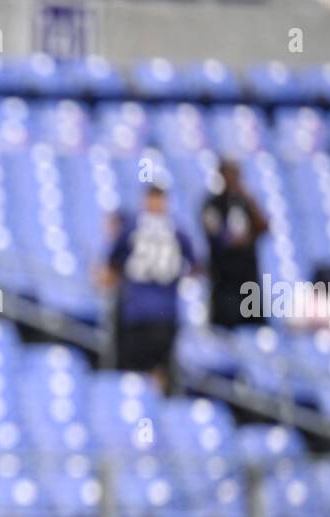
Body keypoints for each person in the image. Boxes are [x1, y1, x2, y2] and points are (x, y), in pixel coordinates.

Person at [100, 185, 195, 394]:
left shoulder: (134, 227)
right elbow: (194, 266)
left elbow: (112, 264)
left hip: (143, 311)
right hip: (154, 312)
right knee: (152, 372)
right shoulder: (176, 230)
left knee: (140, 372)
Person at [201, 159, 268, 329]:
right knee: (225, 331)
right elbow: (219, 235)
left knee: (255, 329)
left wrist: (247, 197)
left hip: (248, 281)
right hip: (224, 283)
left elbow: (264, 227)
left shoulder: (245, 202)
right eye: (229, 174)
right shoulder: (212, 205)